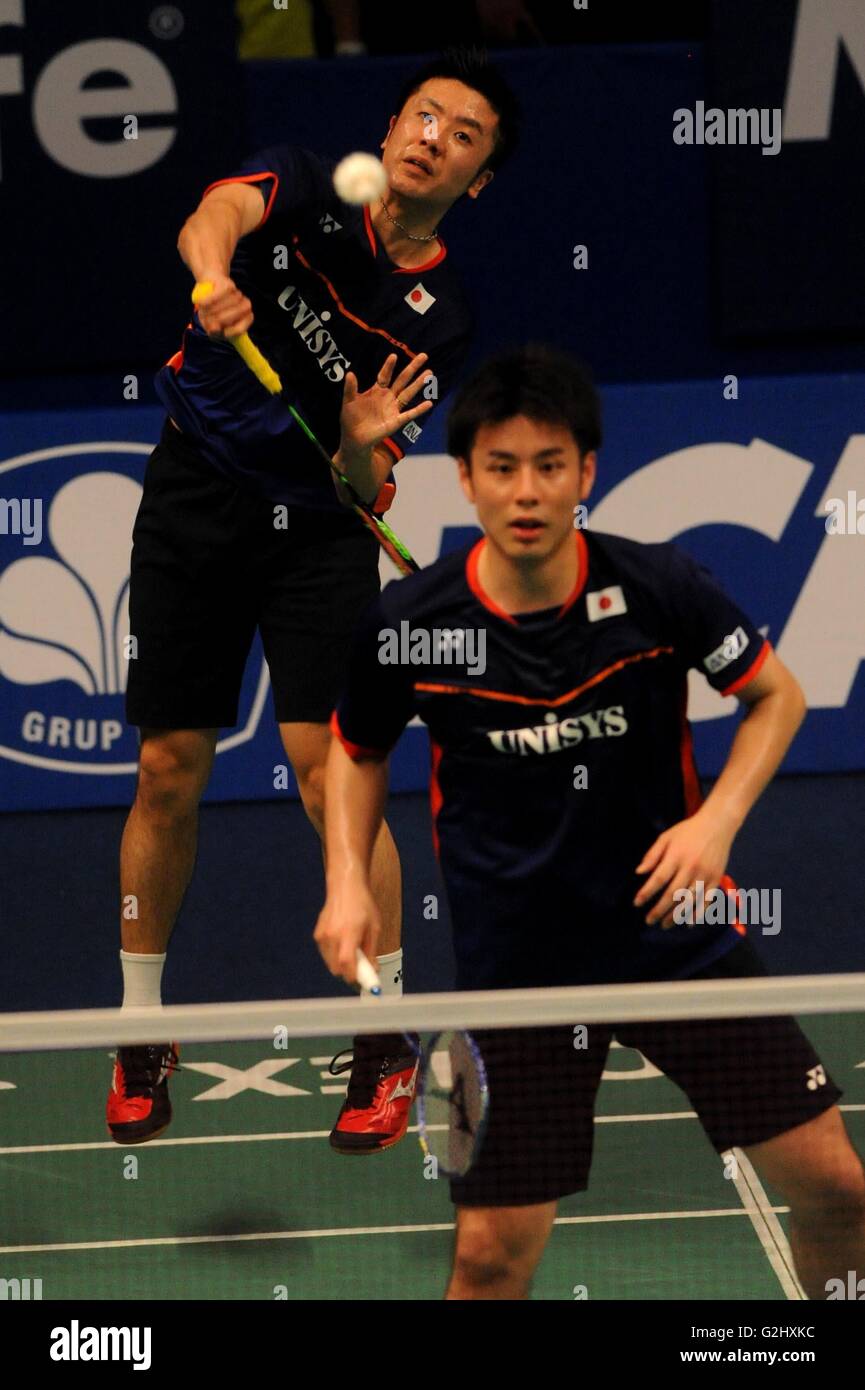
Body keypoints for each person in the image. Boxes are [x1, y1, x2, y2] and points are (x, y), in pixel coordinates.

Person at [315, 343, 865, 1298]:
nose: (525, 492)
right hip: (516, 970)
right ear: (466, 479)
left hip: (676, 939)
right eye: (501, 468)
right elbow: (355, 750)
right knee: (489, 1258)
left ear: (585, 474)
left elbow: (774, 695)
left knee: (836, 1189)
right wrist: (347, 881)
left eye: (548, 466)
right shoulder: (410, 622)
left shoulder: (657, 588)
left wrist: (716, 824)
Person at [106, 50, 522, 1153]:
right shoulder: (296, 179)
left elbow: (366, 489)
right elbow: (209, 216)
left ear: (475, 179)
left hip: (318, 528)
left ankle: (385, 1033)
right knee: (166, 765)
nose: (433, 136)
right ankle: (142, 1030)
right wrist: (211, 277)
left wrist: (353, 444)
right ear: (391, 127)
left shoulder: (437, 314)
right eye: (423, 115)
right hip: (195, 485)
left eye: (463, 133)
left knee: (325, 767)